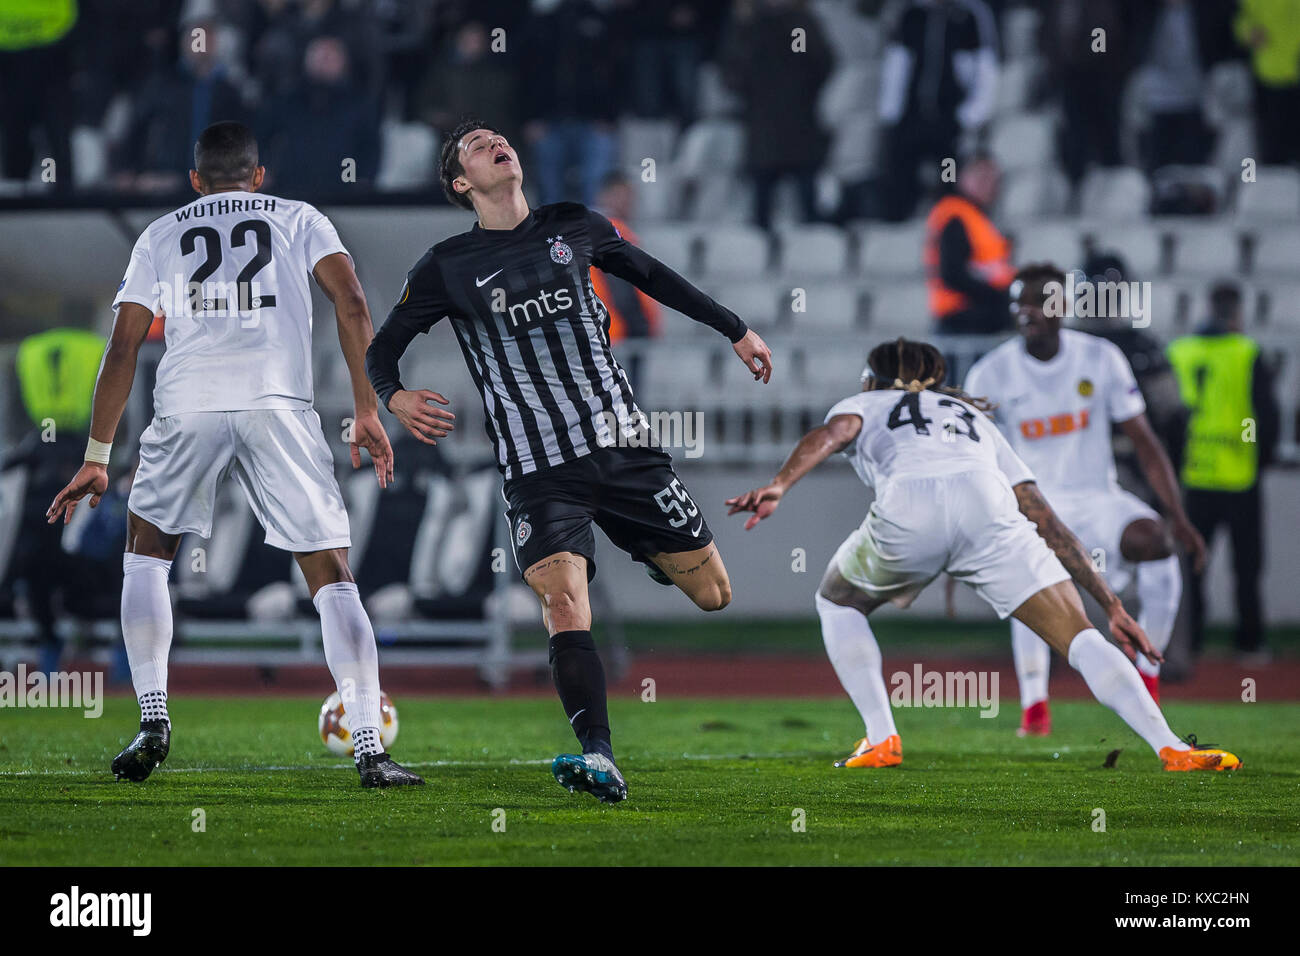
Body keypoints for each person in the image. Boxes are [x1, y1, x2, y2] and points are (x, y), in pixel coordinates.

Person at [365, 119, 774, 803]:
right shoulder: (447, 265)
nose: (497, 143)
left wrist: (734, 328)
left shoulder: (575, 225)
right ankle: (600, 756)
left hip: (624, 449)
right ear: (462, 183)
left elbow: (652, 276)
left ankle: (645, 547)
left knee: (713, 595)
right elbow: (384, 350)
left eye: (499, 137)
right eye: (476, 145)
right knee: (563, 603)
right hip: (539, 470)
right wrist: (394, 397)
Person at [46, 121, 422, 789]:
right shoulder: (299, 217)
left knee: (146, 556)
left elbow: (124, 347)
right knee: (331, 572)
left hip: (187, 404)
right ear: (258, 176)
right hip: (276, 406)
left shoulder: (162, 233)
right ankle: (371, 747)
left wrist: (98, 455)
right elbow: (354, 303)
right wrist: (368, 407)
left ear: (196, 180)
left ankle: (154, 717)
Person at [726, 338, 1239, 773]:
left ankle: (882, 738)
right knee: (1082, 636)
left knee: (838, 602)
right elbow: (1041, 513)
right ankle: (1171, 747)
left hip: (910, 508)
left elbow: (830, 436)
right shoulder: (971, 414)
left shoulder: (866, 403)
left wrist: (779, 485)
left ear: (873, 380)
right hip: (989, 509)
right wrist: (1112, 605)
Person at [963, 264, 1207, 736]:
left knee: (1157, 541)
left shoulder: (1101, 357)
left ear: (1062, 308)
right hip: (1034, 506)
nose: (1026, 311)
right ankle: (1035, 706)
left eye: (1038, 300)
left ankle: (1147, 679)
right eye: (1019, 302)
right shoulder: (989, 371)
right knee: (1026, 574)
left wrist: (1178, 516)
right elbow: (976, 461)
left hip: (1099, 499)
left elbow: (1145, 441)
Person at [1167, 282, 1280, 662]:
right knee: (1247, 567)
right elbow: (1263, 415)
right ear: (1237, 313)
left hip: (1193, 477)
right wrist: (1256, 452)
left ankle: (1190, 643)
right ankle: (1249, 643)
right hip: (1240, 476)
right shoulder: (1246, 352)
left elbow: (1168, 417)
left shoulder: (1180, 352)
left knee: (1191, 567)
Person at [875, 0, 998, 222]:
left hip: (949, 120)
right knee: (900, 177)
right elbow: (897, 66)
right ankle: (897, 227)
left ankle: (948, 228)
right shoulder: (912, 14)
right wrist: (891, 113)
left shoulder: (968, 14)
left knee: (948, 177)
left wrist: (972, 113)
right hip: (912, 117)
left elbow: (985, 68)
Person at [923, 152, 1014, 340]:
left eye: (992, 180)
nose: (988, 185)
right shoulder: (955, 215)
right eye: (981, 177)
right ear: (962, 177)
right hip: (962, 320)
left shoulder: (976, 216)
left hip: (977, 319)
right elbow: (953, 273)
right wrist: (998, 296)